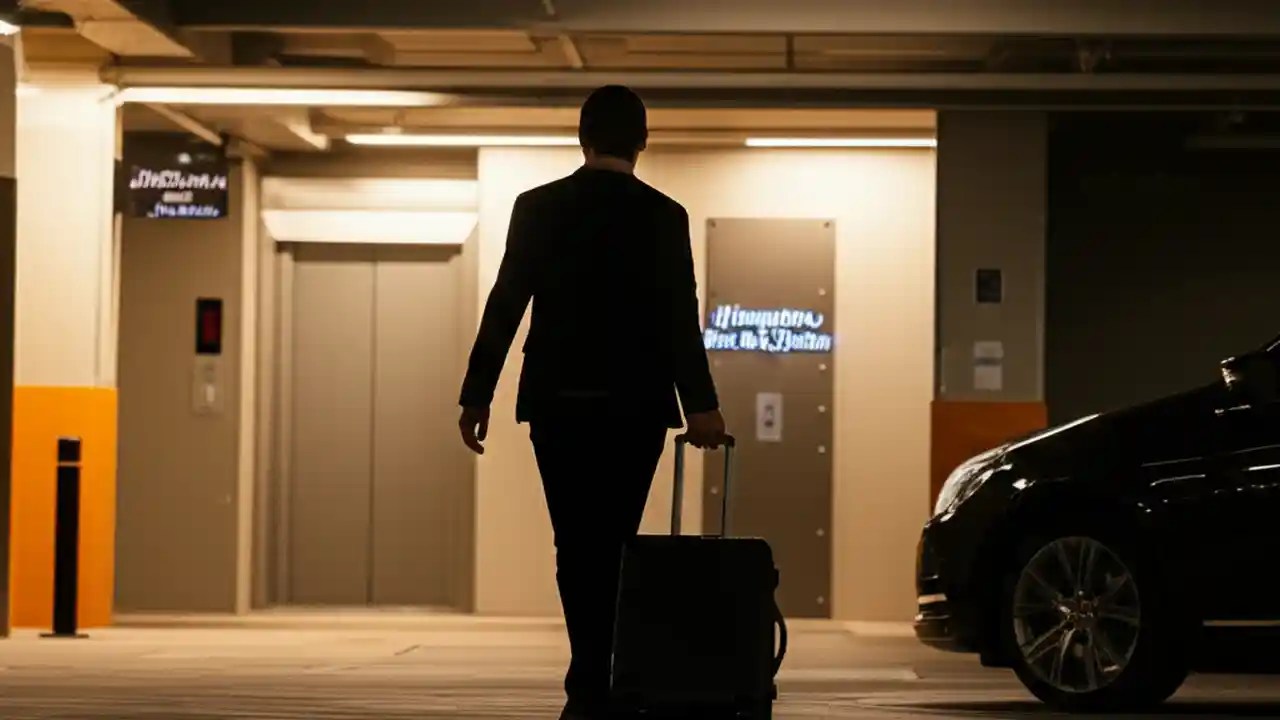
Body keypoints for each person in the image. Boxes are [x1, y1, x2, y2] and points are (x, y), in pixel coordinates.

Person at [457, 85, 727, 720]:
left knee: (575, 541)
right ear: (642, 141)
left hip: (558, 403)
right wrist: (703, 405)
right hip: (636, 407)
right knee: (617, 538)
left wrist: (477, 394)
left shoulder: (537, 208)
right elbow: (678, 319)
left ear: (582, 138)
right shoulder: (666, 215)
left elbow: (506, 304)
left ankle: (587, 674)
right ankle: (603, 669)